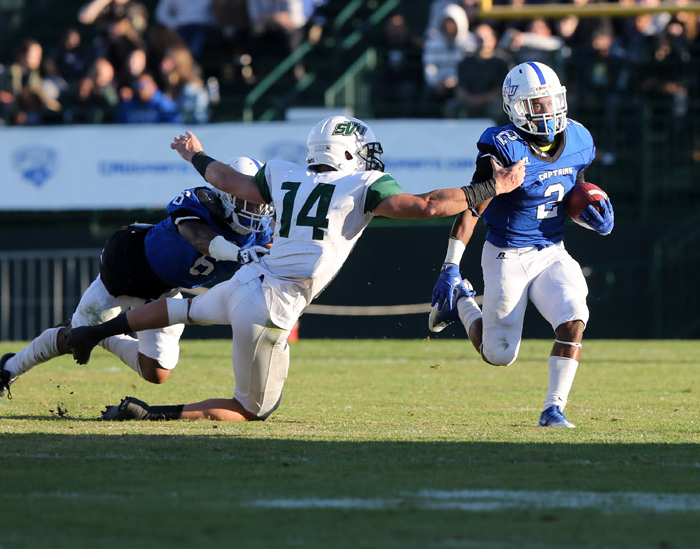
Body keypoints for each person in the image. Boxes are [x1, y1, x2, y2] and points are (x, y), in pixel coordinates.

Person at [64, 115, 525, 422]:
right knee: (252, 409)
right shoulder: (363, 183)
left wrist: (193, 155)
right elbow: (427, 205)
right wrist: (493, 186)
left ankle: (94, 332)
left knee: (182, 311)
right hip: (273, 305)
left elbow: (225, 180)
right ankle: (152, 413)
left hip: (249, 278)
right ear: (347, 154)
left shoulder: (285, 173)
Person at [0, 157, 273, 415]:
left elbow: (277, 252)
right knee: (73, 340)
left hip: (165, 288)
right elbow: (199, 239)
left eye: (258, 200)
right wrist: (238, 253)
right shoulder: (200, 200)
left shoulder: (261, 232)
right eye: (247, 200)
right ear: (225, 194)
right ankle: (9, 369)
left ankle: (102, 335)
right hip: (128, 266)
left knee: (156, 372)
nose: (255, 209)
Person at [427, 61, 614, 429]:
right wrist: (451, 266)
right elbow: (472, 206)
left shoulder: (578, 139)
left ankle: (553, 409)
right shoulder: (503, 147)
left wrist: (593, 211)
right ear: (515, 108)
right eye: (537, 104)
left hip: (551, 251)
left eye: (550, 101)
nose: (547, 111)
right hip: (506, 254)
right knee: (498, 355)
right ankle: (463, 301)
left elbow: (574, 187)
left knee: (574, 317)